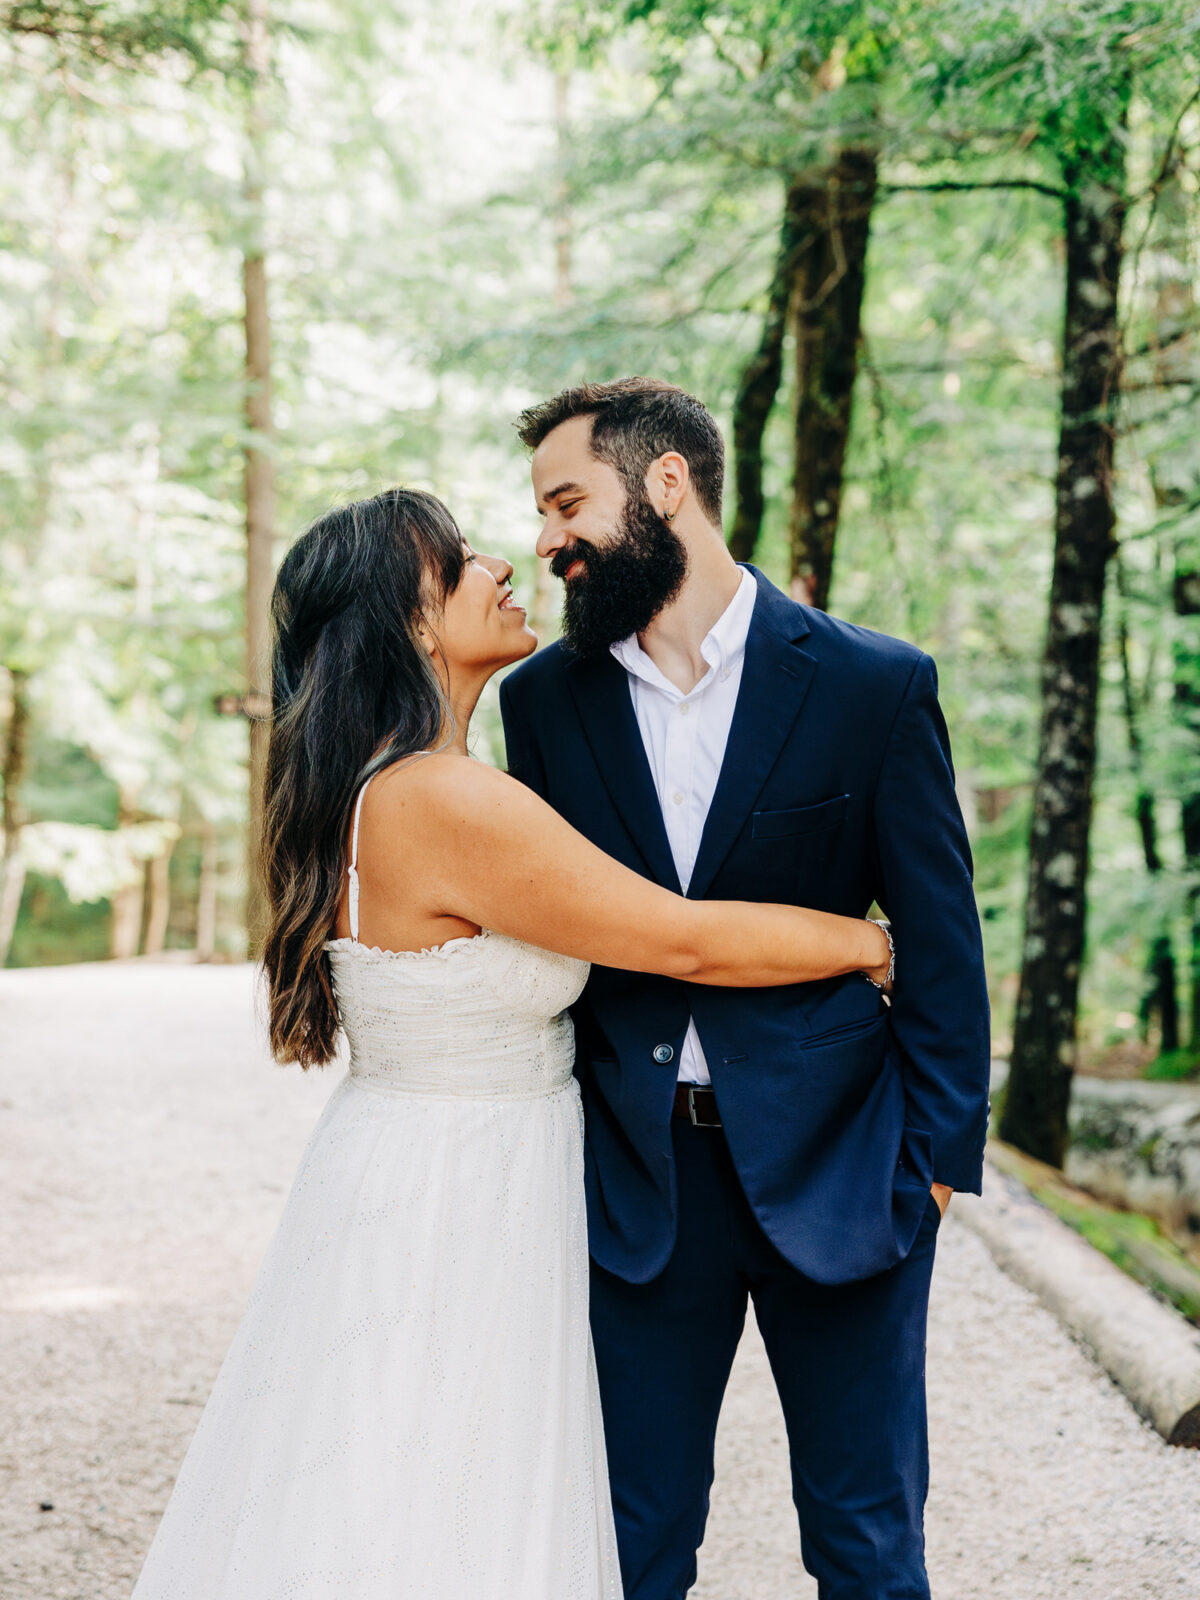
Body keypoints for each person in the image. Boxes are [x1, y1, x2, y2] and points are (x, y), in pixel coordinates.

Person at [128, 486, 895, 1600]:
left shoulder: (382, 789)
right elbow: (678, 942)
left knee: (397, 1474)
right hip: (464, 1193)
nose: (504, 563)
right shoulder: (445, 798)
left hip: (411, 1167)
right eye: (461, 559)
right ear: (417, 624)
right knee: (446, 1485)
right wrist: (863, 945)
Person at [500, 378, 992, 1600]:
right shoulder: (542, 706)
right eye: (543, 512)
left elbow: (940, 938)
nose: (549, 539)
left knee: (869, 1541)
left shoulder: (874, 685)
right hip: (637, 1185)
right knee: (629, 1540)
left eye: (569, 503)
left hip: (849, 1169)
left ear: (666, 483)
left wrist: (930, 1165)